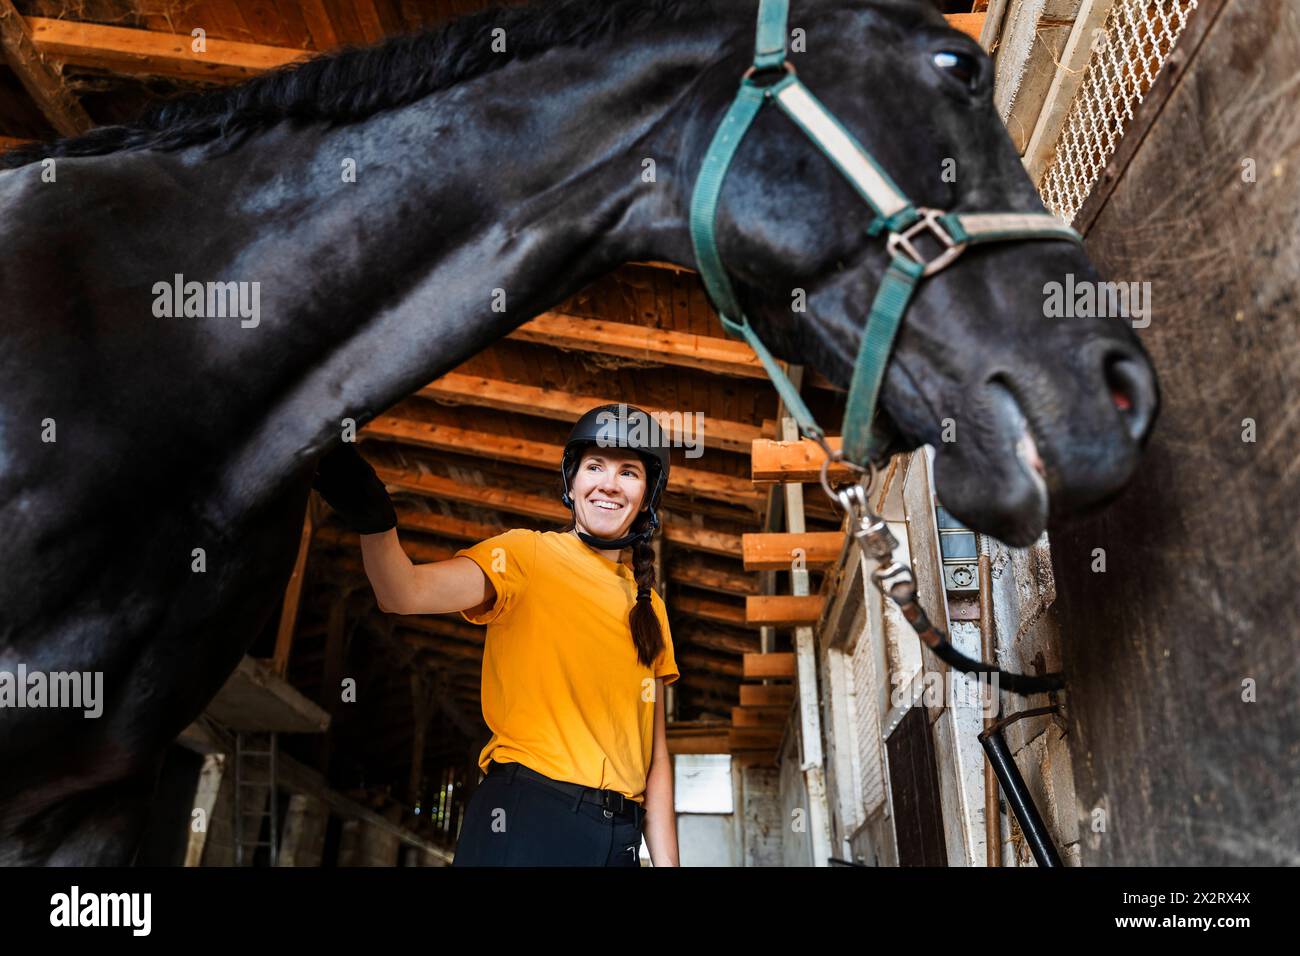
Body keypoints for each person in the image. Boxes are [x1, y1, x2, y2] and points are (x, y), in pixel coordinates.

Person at [311, 403, 680, 866]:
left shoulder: (651, 609)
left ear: (646, 496)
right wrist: (376, 522)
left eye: (629, 472)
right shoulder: (523, 556)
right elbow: (402, 592)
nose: (609, 483)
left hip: (618, 838)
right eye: (595, 466)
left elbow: (656, 758)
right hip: (528, 815)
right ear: (572, 483)